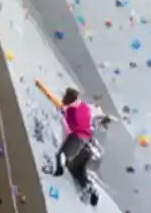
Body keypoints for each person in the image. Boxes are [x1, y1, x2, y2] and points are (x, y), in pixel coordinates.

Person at [34, 78, 107, 206]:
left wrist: (40, 85)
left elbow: (53, 99)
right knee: (79, 171)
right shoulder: (85, 108)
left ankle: (56, 170)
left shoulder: (70, 111)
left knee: (64, 158)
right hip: (88, 146)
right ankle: (90, 188)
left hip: (78, 142)